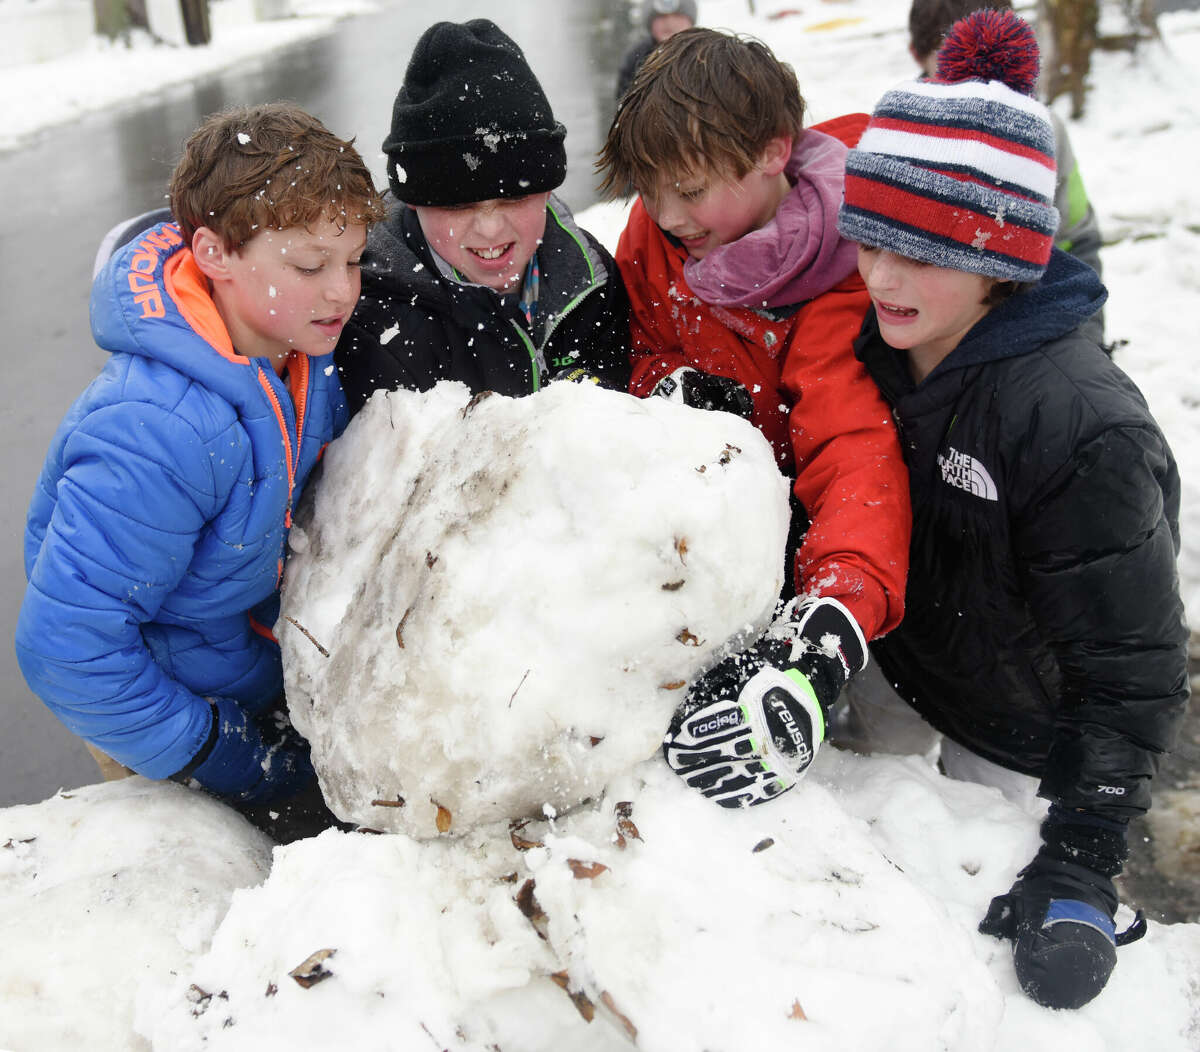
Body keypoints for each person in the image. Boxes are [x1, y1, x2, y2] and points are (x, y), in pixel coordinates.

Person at [836, 9, 1188, 1010]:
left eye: (927, 251)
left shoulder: (1079, 428)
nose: (885, 278)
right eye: (873, 241)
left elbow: (1133, 672)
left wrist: (1079, 853)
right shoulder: (881, 345)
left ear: (1003, 256)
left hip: (1028, 734)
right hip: (910, 665)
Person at [15, 103, 386, 840]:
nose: (343, 291)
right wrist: (221, 752)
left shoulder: (295, 353)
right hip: (168, 724)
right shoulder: (156, 429)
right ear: (215, 254)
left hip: (247, 675)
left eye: (353, 260)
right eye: (311, 264)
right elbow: (69, 649)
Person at [596, 28, 911, 810]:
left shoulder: (847, 270)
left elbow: (855, 449)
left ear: (773, 152)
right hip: (733, 556)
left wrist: (827, 629)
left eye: (691, 190)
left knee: (889, 759)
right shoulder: (662, 233)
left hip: (857, 553)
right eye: (651, 189)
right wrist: (674, 385)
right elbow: (638, 342)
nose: (667, 216)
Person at [335, 19, 631, 414]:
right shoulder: (374, 324)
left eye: (514, 199)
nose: (491, 229)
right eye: (458, 206)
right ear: (412, 201)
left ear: (547, 188)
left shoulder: (591, 285)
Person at [909, 0, 1106, 344]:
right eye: (955, 72)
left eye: (992, 74)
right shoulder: (898, 139)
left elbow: (1078, 242)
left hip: (1031, 343)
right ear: (918, 55)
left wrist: (1085, 342)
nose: (980, 94)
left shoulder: (1045, 132)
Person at [615, 0, 698, 102]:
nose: (669, 23)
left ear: (690, 21)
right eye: (661, 17)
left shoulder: (707, 55)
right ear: (650, 22)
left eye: (677, 16)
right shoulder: (636, 57)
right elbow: (624, 102)